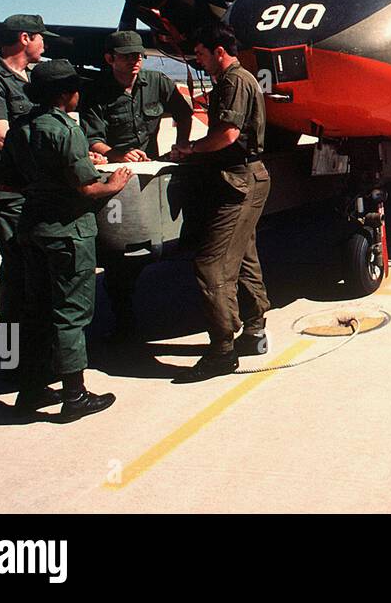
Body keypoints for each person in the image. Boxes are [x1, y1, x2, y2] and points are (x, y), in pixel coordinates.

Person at [0, 59, 132, 420]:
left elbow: (9, 180)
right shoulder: (66, 131)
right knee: (70, 314)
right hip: (67, 233)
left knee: (36, 310)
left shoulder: (19, 128)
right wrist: (113, 184)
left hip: (31, 228)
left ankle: (31, 389)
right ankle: (74, 396)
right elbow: (87, 187)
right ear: (64, 94)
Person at [168, 22, 270, 382]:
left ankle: (222, 350)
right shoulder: (240, 78)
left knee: (210, 264)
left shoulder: (232, 81)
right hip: (245, 176)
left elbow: (227, 134)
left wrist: (190, 149)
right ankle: (255, 330)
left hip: (238, 180)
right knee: (243, 256)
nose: (198, 61)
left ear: (219, 52)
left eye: (200, 54)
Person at [80, 30, 194, 340]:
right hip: (118, 178)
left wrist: (182, 142)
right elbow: (92, 138)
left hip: (153, 172)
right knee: (120, 256)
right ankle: (123, 318)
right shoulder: (97, 91)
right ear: (110, 59)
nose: (136, 61)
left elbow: (184, 112)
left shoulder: (156, 81)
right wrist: (116, 153)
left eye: (139, 56)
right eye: (128, 56)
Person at [0, 14, 55, 324]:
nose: (44, 42)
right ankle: (16, 350)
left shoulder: (32, 77)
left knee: (40, 266)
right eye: (40, 37)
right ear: (24, 39)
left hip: (37, 187)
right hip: (10, 190)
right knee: (18, 266)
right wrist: (55, 153)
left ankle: (37, 340)